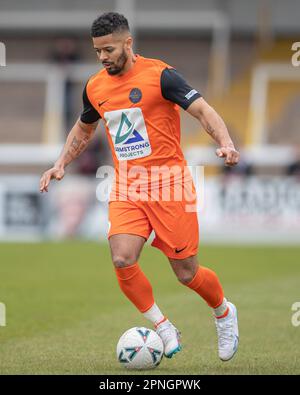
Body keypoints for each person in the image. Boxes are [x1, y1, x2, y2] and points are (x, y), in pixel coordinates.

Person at [40, 12, 240, 361]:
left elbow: (203, 111)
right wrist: (61, 164)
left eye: (109, 49)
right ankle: (162, 326)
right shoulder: (95, 86)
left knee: (186, 273)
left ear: (128, 43)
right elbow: (84, 129)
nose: (102, 57)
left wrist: (225, 141)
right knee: (122, 258)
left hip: (170, 186)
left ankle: (223, 312)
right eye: (97, 51)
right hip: (127, 187)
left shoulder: (161, 75)